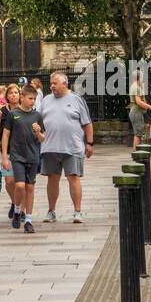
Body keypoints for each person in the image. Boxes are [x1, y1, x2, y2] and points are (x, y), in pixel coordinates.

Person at [39, 72, 94, 224]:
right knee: (52, 179)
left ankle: (77, 211)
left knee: (73, 177)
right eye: (51, 83)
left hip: (72, 147)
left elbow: (87, 124)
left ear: (64, 84)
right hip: (50, 147)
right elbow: (38, 121)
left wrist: (89, 143)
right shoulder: (45, 100)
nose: (51, 86)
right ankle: (51, 211)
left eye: (54, 83)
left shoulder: (76, 100)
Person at [0, 83, 46, 232]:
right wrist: (5, 158)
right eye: (30, 98)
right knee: (20, 186)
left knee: (30, 187)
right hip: (17, 156)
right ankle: (17, 210)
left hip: (32, 156)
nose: (32, 101)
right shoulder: (14, 114)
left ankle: (28, 220)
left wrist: (38, 132)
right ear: (22, 97)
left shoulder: (37, 115)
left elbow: (42, 138)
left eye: (34, 99)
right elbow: (5, 135)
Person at [0, 83, 21, 220]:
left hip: (23, 151)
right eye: (10, 93)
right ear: (7, 96)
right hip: (8, 150)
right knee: (9, 182)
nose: (13, 95)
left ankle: (20, 208)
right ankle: (15, 202)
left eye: (16, 92)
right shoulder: (3, 111)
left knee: (21, 183)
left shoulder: (26, 108)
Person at [128, 78, 151, 150]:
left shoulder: (134, 86)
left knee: (139, 133)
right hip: (136, 112)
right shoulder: (136, 88)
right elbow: (138, 102)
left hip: (137, 112)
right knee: (138, 134)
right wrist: (150, 107)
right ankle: (136, 152)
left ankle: (138, 152)